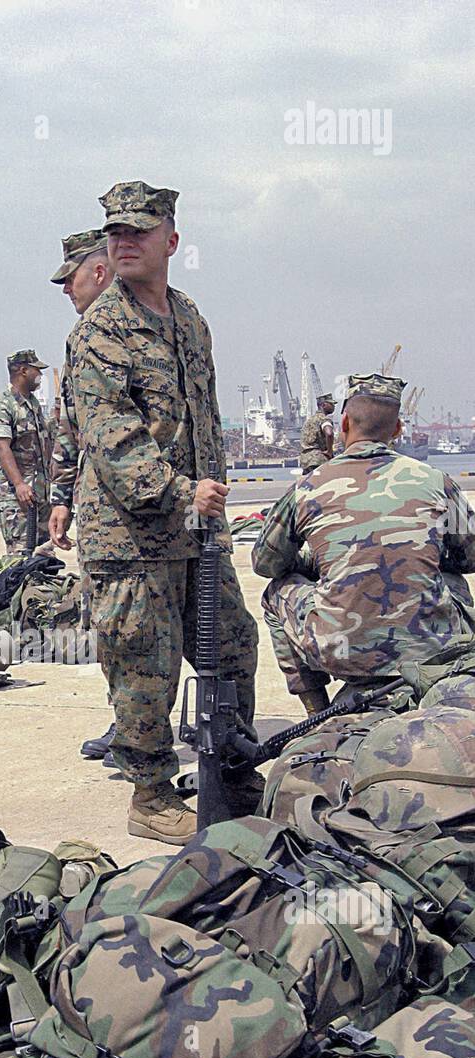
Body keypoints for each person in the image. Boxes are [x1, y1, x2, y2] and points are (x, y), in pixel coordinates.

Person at [69, 182, 261, 843]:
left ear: (169, 242)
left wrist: (211, 505)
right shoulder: (99, 331)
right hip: (130, 536)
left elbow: (203, 421)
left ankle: (235, 776)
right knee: (142, 667)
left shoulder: (188, 318)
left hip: (199, 532)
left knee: (233, 646)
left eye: (137, 232)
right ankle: (150, 796)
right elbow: (112, 434)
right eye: (114, 233)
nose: (122, 242)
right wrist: (182, 492)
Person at [253, 373, 475, 713]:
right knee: (451, 580)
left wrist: (318, 560)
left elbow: (266, 563)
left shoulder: (308, 487)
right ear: (398, 429)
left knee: (275, 594)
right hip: (431, 646)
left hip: (340, 649)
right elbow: (470, 556)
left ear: (343, 424)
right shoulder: (435, 481)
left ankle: (317, 711)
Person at [48, 228, 117, 759]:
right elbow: (73, 428)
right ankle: (131, 723)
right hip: (103, 511)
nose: (65, 289)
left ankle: (223, 731)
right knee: (116, 626)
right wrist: (61, 498)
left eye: (69, 278)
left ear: (97, 271)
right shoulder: (82, 339)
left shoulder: (164, 321)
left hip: (159, 508)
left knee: (211, 627)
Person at [0, 350, 51, 553]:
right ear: (23, 370)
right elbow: (1, 446)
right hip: (18, 499)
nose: (40, 375)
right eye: (36, 370)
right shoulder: (2, 405)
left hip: (39, 496)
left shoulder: (32, 404)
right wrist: (19, 484)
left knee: (44, 559)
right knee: (22, 559)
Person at [299, 391, 335, 473]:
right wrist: (329, 451)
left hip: (306, 461)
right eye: (331, 404)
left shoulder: (309, 421)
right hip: (319, 460)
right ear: (324, 405)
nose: (333, 406)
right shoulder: (324, 419)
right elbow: (329, 433)